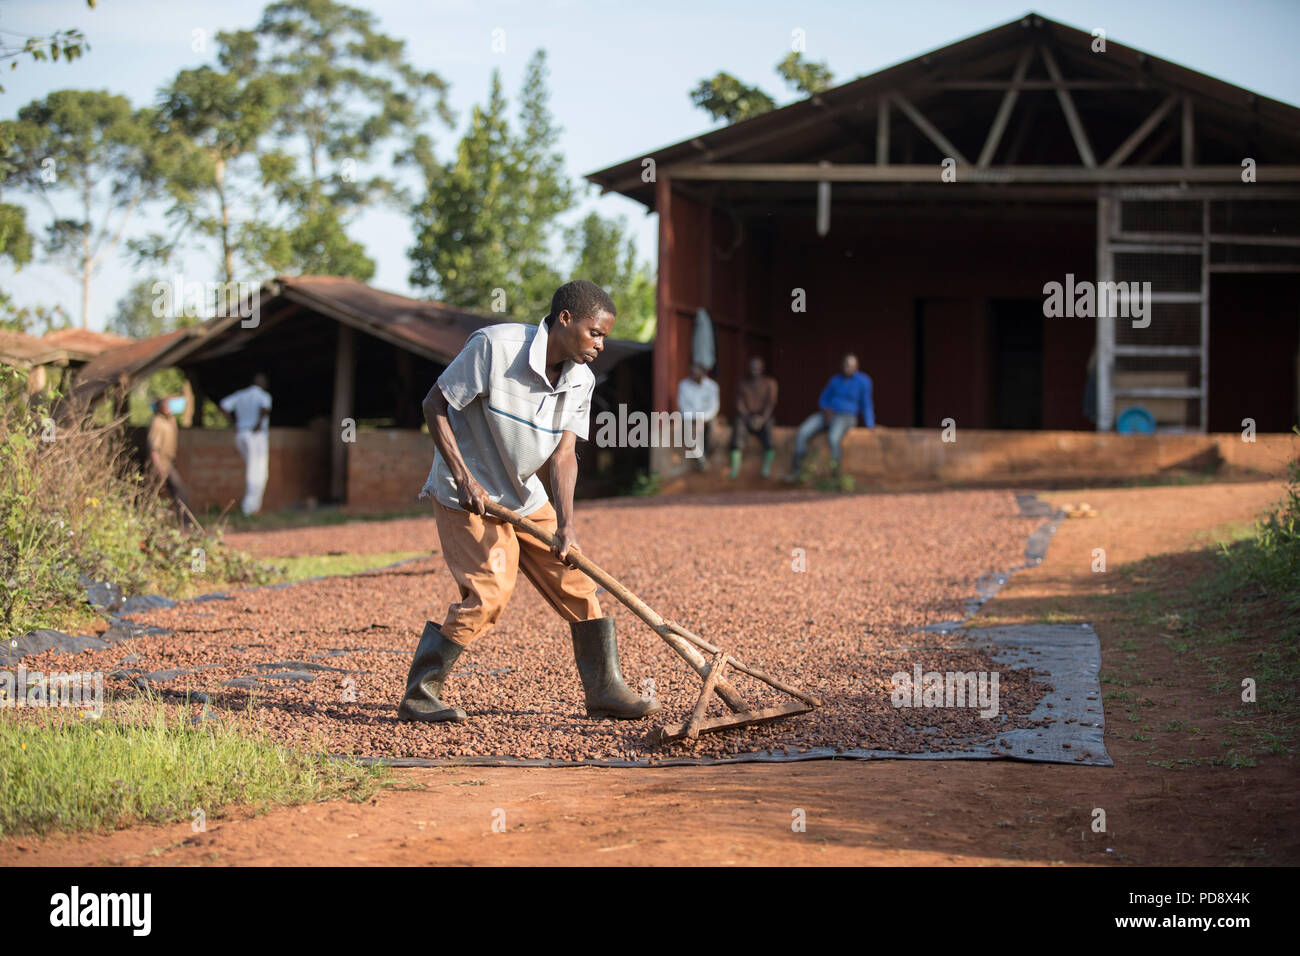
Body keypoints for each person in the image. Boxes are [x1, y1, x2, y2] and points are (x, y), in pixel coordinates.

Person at [402, 279, 661, 725]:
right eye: (595, 332)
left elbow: (563, 456)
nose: (601, 344)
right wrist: (464, 478)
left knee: (578, 582)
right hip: (468, 496)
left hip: (524, 494)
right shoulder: (495, 347)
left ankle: (605, 689)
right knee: (490, 593)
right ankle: (421, 693)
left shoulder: (581, 379)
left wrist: (566, 526)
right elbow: (434, 405)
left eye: (604, 336)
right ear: (565, 319)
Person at [785, 353, 875, 481]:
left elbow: (866, 403)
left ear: (856, 367)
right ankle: (797, 471)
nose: (847, 368)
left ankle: (835, 475)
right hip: (827, 413)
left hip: (846, 416)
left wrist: (870, 424)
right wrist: (826, 410)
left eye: (850, 366)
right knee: (803, 431)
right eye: (845, 365)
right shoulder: (835, 380)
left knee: (833, 438)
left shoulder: (864, 381)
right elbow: (823, 399)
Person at [219, 373, 272, 515]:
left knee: (252, 468)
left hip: (241, 434)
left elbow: (224, 405)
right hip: (255, 435)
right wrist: (258, 424)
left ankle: (251, 507)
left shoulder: (240, 394)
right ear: (262, 383)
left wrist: (234, 423)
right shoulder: (263, 396)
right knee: (258, 471)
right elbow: (265, 409)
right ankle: (250, 508)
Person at [729, 356, 779, 479]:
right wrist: (748, 418)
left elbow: (770, 403)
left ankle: (766, 468)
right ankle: (735, 468)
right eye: (752, 368)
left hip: (764, 417)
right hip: (746, 418)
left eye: (757, 368)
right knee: (738, 430)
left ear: (762, 369)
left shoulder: (770, 383)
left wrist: (762, 419)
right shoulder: (743, 384)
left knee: (769, 434)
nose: (754, 370)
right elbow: (739, 404)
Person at [147, 393, 192, 523]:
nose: (168, 408)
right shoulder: (157, 422)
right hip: (160, 462)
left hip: (167, 462)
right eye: (165, 405)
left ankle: (184, 521)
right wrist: (158, 467)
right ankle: (185, 521)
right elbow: (153, 448)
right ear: (159, 407)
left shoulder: (168, 421)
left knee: (173, 491)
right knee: (171, 490)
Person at [676, 363, 720, 471]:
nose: (693, 376)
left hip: (708, 416)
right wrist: (695, 419)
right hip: (690, 417)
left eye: (696, 374)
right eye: (692, 374)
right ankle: (701, 459)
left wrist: (702, 419)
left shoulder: (712, 386)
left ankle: (704, 456)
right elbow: (682, 406)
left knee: (713, 433)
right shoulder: (683, 385)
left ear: (703, 373)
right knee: (688, 433)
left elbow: (714, 407)